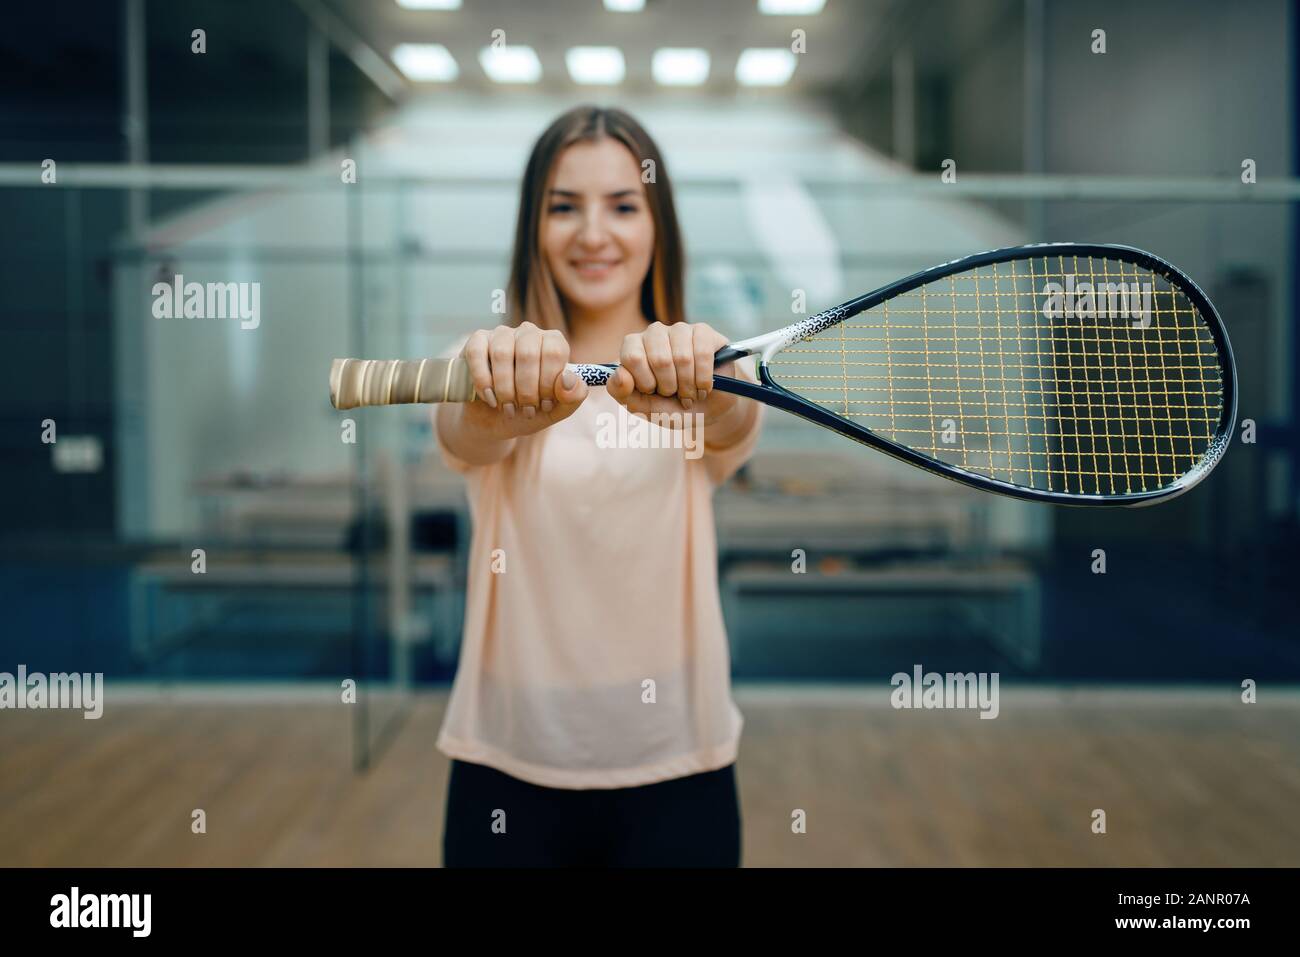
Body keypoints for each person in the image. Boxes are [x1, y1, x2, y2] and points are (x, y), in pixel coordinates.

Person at [434, 105, 762, 867]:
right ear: (533, 228)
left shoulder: (701, 365)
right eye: (562, 207)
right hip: (505, 767)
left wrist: (711, 380)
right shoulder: (481, 362)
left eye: (622, 205)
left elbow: (734, 422)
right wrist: (497, 400)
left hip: (679, 764)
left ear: (658, 223)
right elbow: (463, 432)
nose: (592, 234)